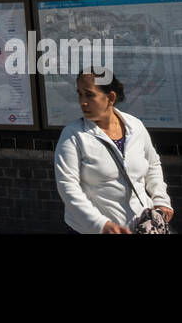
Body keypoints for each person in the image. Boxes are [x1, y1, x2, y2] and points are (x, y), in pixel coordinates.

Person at [54, 71, 172, 234]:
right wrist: (100, 224)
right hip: (92, 230)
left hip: (142, 226)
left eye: (89, 95)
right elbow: (67, 186)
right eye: (80, 94)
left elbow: (152, 164)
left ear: (110, 97)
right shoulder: (73, 135)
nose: (83, 102)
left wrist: (161, 199)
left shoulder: (135, 126)